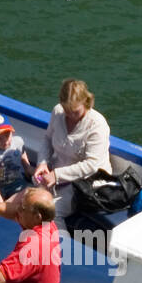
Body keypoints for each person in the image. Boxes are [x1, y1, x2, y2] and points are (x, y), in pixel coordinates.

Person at [31, 78, 111, 222]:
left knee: (50, 214)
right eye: (67, 110)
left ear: (86, 103)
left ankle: (61, 243)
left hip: (86, 183)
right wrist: (42, 162)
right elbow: (48, 139)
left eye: (75, 111)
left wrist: (57, 175)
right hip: (56, 176)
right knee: (31, 203)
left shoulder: (97, 125)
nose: (71, 116)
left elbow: (92, 165)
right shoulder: (58, 112)